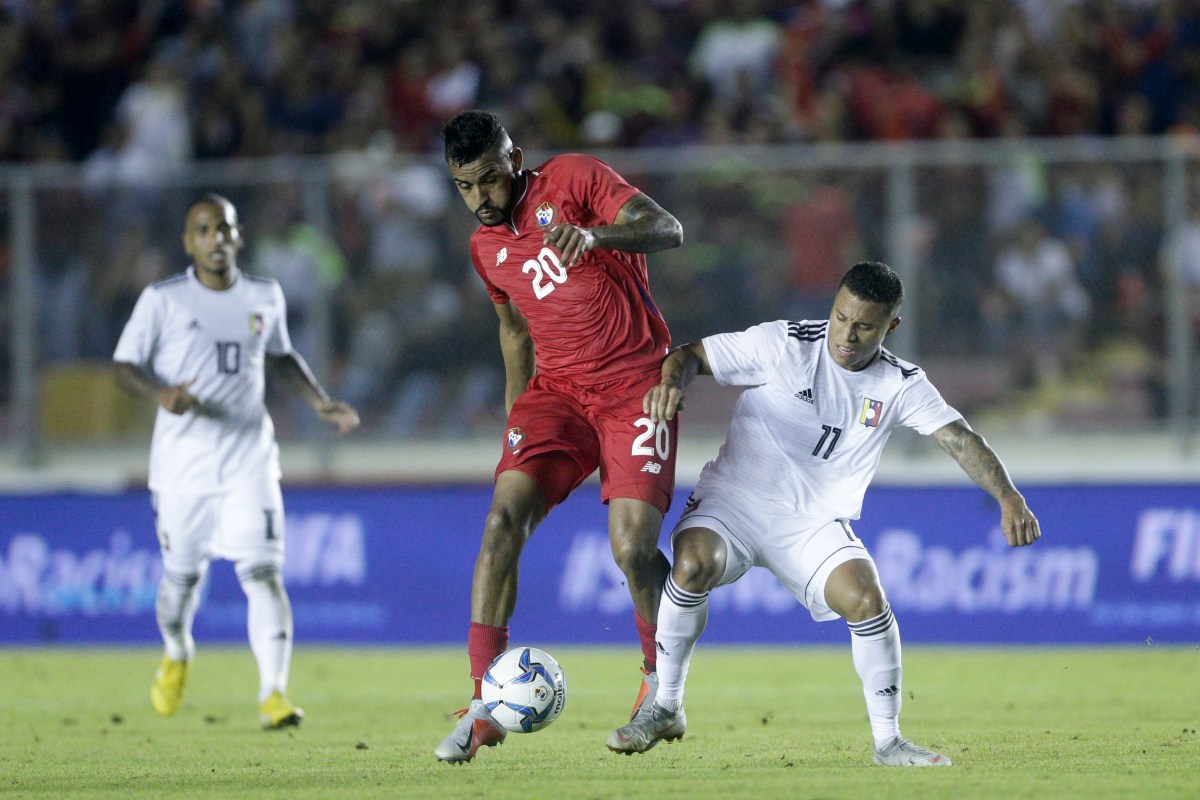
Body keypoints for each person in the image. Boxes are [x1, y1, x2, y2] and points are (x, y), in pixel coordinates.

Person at [607, 261, 1041, 766]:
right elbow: (689, 356)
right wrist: (672, 384)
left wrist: (1008, 497)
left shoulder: (900, 383)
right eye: (840, 317)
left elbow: (959, 438)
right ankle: (665, 705)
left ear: (890, 327)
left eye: (864, 326)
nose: (847, 335)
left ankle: (888, 741)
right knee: (692, 564)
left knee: (865, 597)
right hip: (736, 500)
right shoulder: (785, 344)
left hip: (813, 522)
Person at [434, 109, 684, 763]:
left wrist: (599, 239)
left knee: (632, 549)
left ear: (514, 159)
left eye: (489, 179)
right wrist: (518, 419)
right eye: (464, 186)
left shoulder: (574, 178)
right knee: (499, 526)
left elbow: (668, 227)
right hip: (558, 399)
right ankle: (484, 704)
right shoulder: (484, 249)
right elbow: (514, 333)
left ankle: (662, 692)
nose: (479, 198)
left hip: (635, 387)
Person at [113, 193, 360, 729]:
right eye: (204, 230)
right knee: (181, 580)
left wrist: (319, 400)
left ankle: (274, 694)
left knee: (264, 575)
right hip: (183, 469)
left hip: (250, 460)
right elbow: (124, 366)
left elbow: (281, 356)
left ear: (238, 237)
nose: (216, 239)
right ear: (188, 242)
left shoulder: (264, 295)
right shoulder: (164, 300)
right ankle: (177, 651)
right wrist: (161, 395)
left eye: (224, 229)